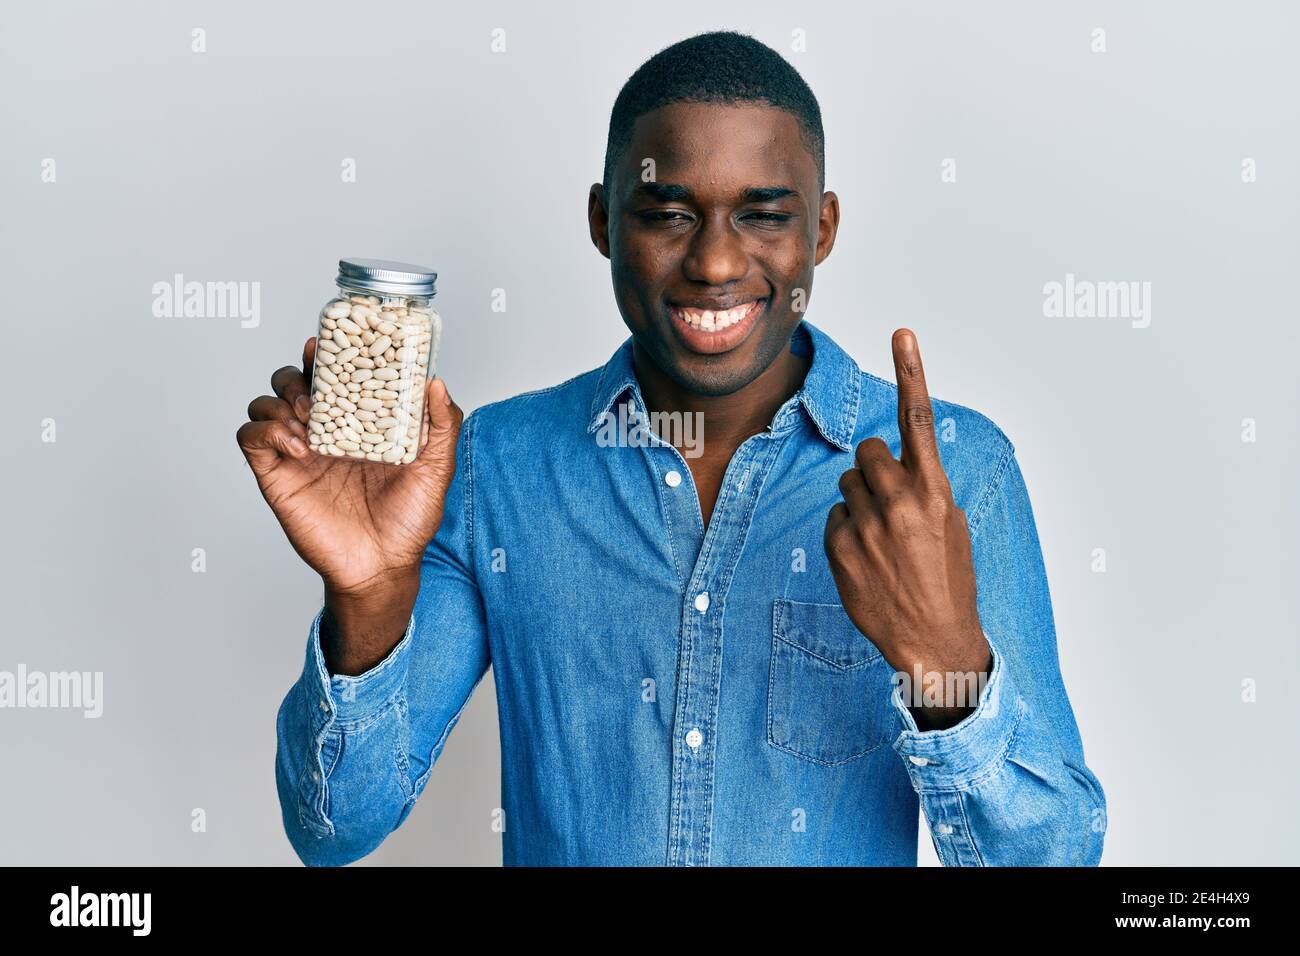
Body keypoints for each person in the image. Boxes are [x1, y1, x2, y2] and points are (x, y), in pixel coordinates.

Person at [239, 30, 1106, 866]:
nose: (716, 263)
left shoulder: (958, 475)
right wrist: (368, 593)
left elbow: (1051, 859)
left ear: (823, 230)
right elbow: (333, 828)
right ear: (602, 221)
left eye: (764, 216)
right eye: (668, 214)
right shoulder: (492, 467)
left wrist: (945, 664)